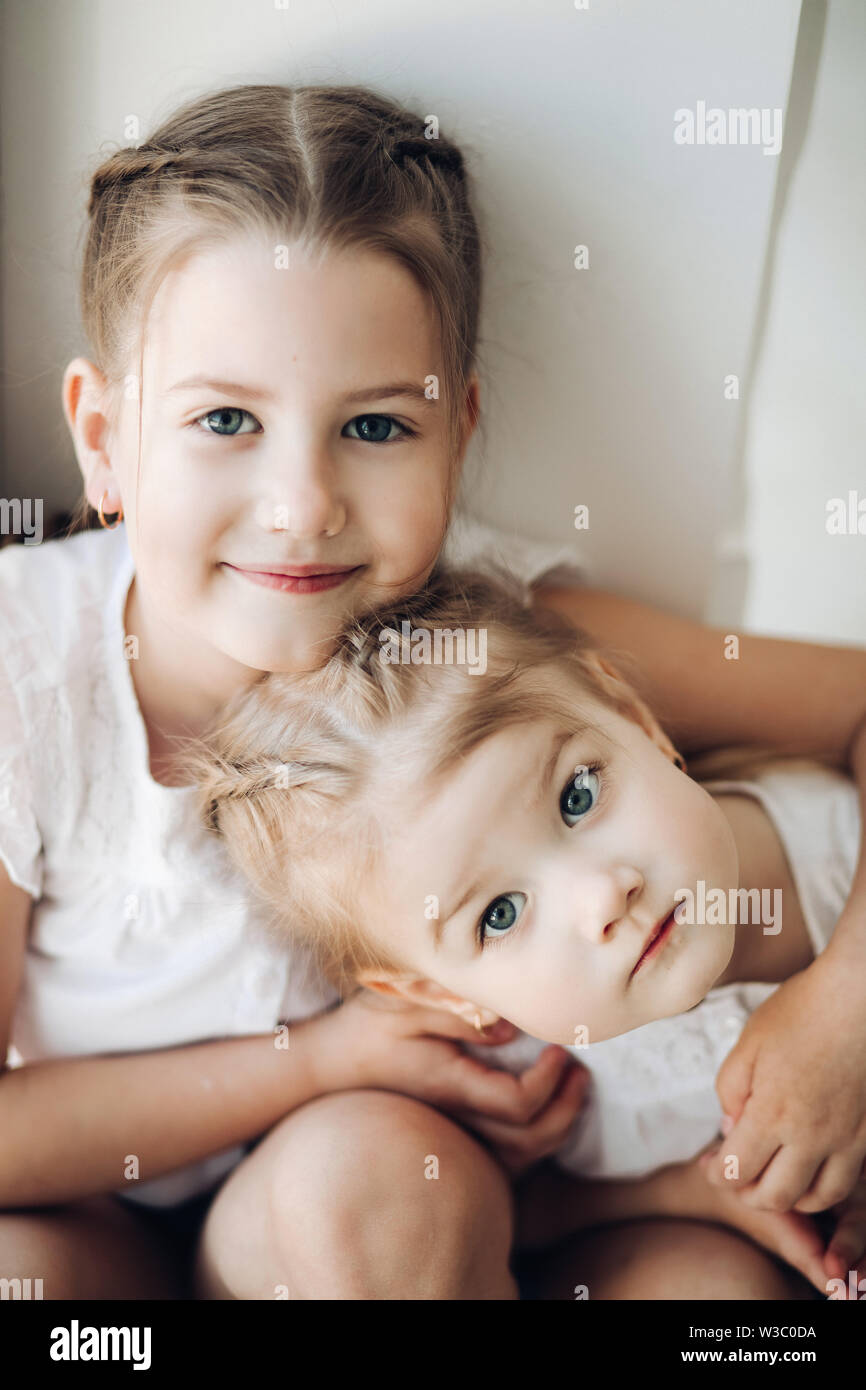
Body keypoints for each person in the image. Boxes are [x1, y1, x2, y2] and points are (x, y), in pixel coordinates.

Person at [2, 80, 866, 1300]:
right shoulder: (27, 673)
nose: (301, 503)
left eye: (371, 428)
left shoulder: (506, 635)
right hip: (95, 1207)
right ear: (101, 439)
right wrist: (320, 1057)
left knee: (404, 1203)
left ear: (457, 432)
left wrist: (850, 1000)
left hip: (407, 1197)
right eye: (226, 419)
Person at [189, 564, 866, 1299]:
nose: (603, 895)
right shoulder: (523, 1075)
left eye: (579, 794)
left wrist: (849, 1004)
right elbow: (520, 1217)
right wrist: (697, 1192)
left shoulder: (834, 848)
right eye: (499, 915)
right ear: (438, 992)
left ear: (634, 717)